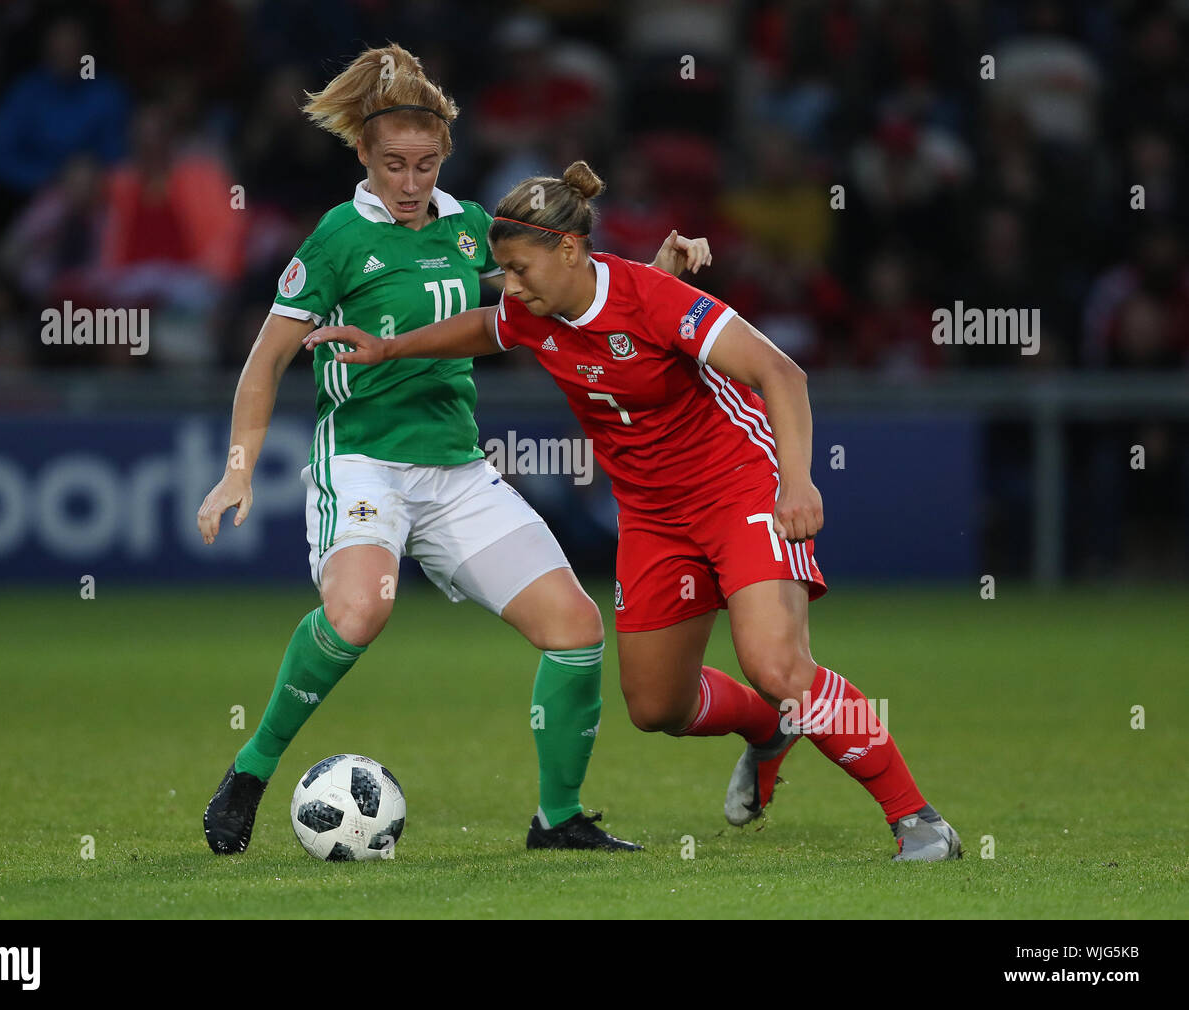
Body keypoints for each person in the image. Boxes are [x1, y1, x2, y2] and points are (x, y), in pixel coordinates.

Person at [306, 160, 962, 861]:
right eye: (504, 272)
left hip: (738, 488)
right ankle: (771, 728)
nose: (512, 288)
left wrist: (798, 483)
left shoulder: (655, 298)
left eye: (520, 269)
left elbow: (781, 372)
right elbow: (483, 329)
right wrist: (390, 347)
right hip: (650, 516)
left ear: (570, 250)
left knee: (775, 661)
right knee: (657, 707)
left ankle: (919, 821)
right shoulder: (532, 310)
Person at [198, 47, 712, 855]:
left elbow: (560, 301)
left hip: (459, 468)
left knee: (576, 630)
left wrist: (654, 276)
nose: (410, 182)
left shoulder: (474, 228)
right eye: (394, 165)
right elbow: (266, 361)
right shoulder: (336, 239)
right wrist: (235, 473)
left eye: (426, 164)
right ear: (364, 155)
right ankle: (253, 770)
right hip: (365, 460)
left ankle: (558, 821)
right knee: (361, 610)